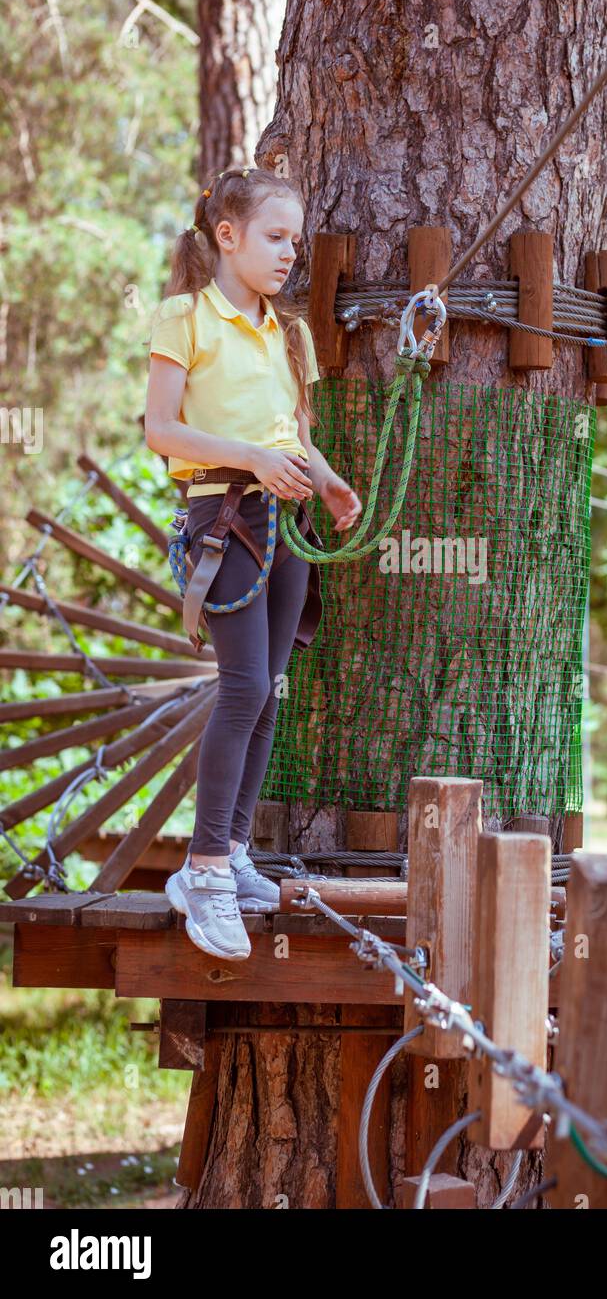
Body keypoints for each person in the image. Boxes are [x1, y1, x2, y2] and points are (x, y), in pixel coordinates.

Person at [144, 166, 361, 961]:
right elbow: (162, 430)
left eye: (295, 243)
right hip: (224, 516)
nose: (288, 255)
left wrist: (328, 481)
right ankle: (201, 870)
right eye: (275, 238)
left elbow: (291, 434)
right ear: (227, 236)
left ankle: (232, 852)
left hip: (287, 515)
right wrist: (247, 459)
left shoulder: (287, 333)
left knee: (269, 689)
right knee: (240, 687)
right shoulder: (185, 318)